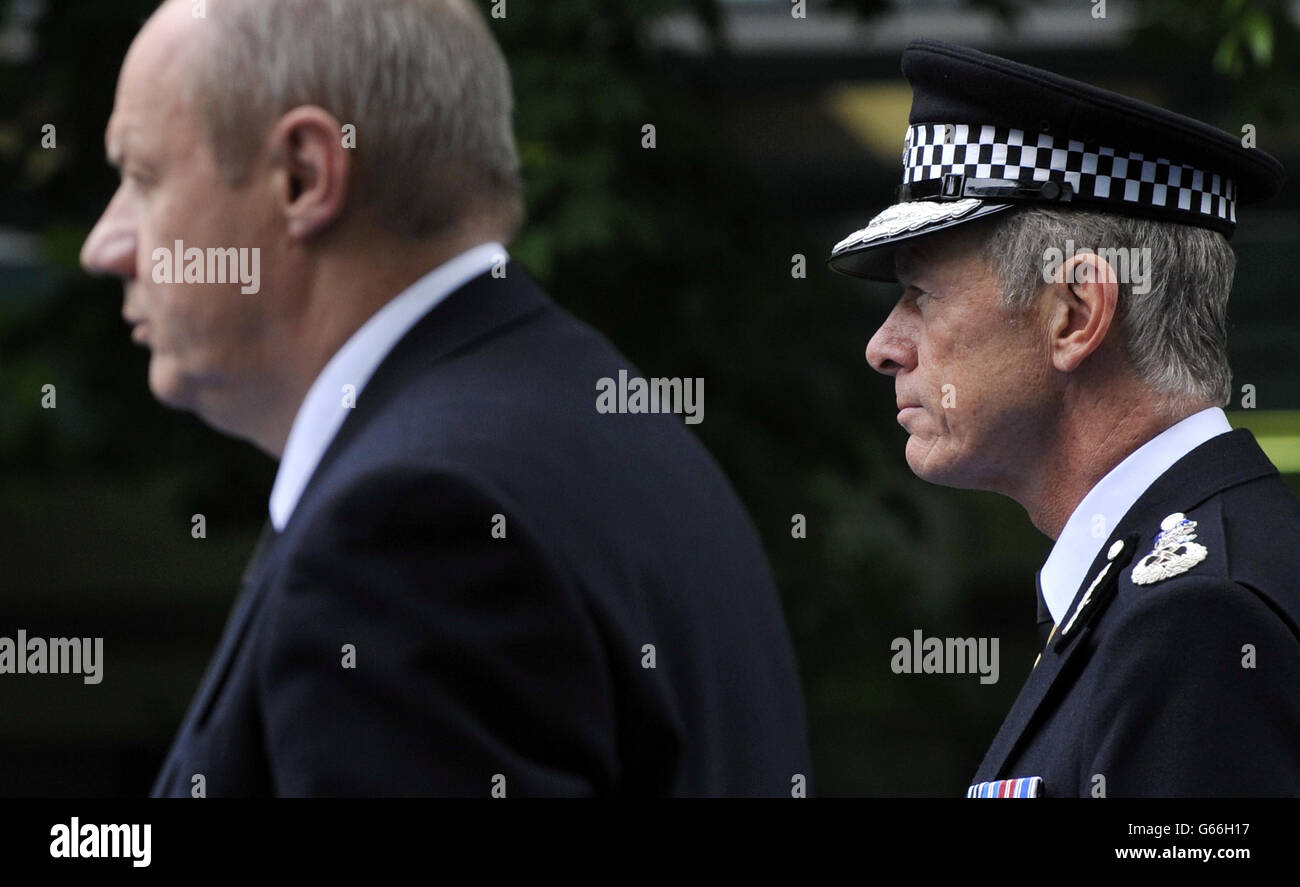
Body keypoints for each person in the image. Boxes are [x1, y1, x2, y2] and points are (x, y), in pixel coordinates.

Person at [81, 0, 810, 797]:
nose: (105, 245)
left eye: (142, 177)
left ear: (304, 175)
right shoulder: (611, 435)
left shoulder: (409, 525)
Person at [828, 39, 1300, 797]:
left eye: (923, 294)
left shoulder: (1196, 618)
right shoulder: (1171, 588)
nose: (883, 345)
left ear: (1076, 313)